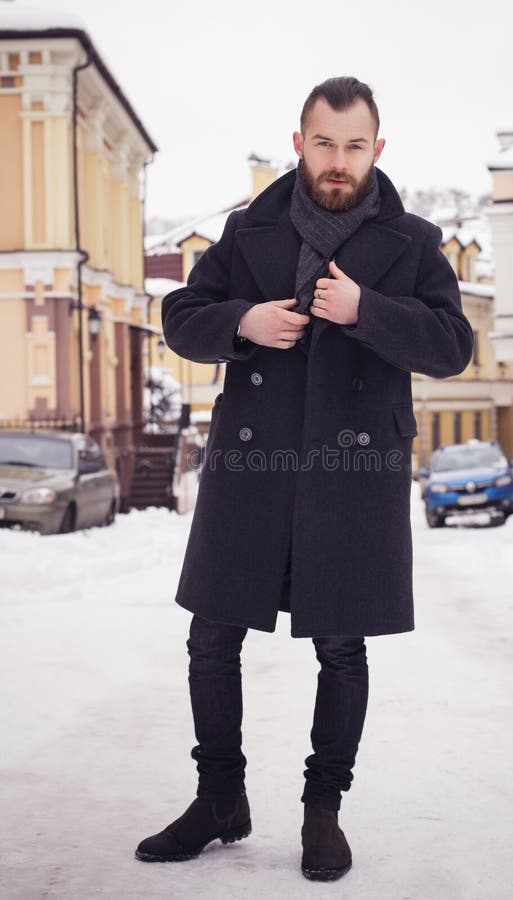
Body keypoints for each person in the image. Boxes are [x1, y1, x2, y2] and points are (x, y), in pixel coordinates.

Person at [135, 76, 474, 881]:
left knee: (341, 642)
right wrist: (241, 323)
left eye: (355, 145)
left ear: (377, 150)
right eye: (324, 142)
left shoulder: (417, 242)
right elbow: (180, 316)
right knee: (212, 635)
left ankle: (323, 812)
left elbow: (454, 346)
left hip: (351, 466)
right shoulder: (247, 229)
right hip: (253, 464)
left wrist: (367, 310)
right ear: (299, 142)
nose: (338, 160)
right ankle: (220, 798)